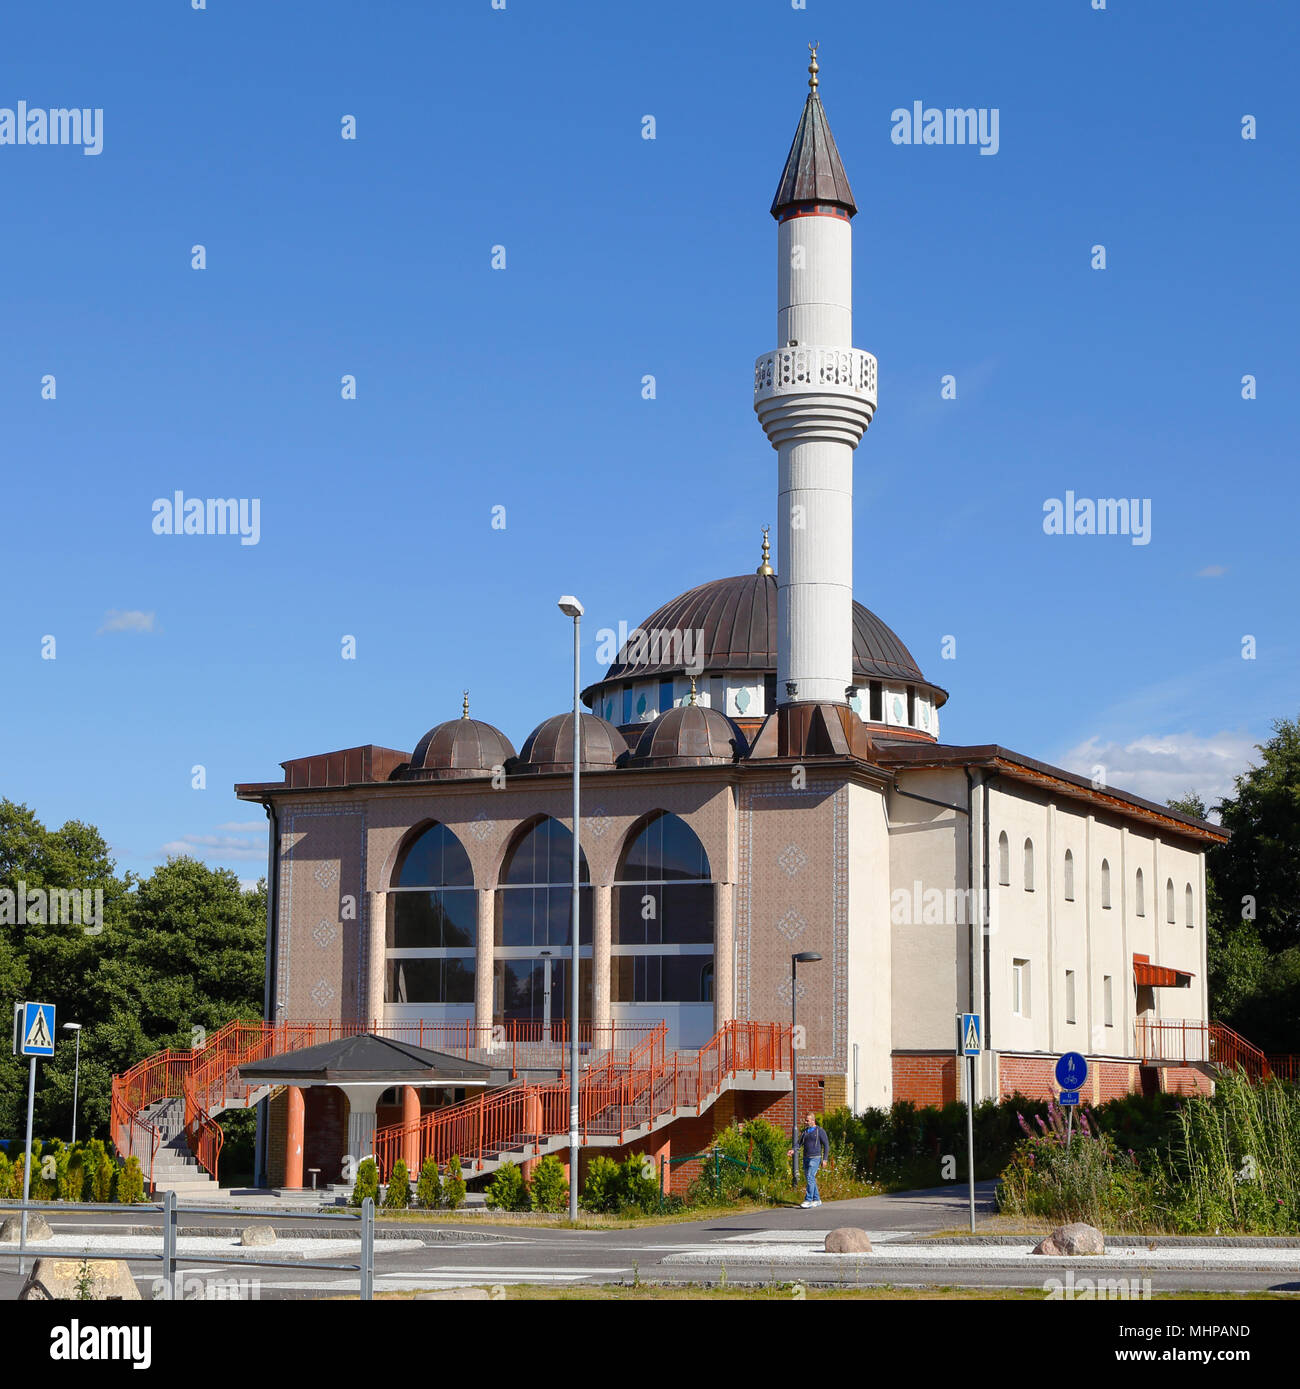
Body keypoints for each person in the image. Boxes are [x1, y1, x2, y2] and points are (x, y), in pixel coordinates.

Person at [789, 1111, 830, 1208]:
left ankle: (808, 1200)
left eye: (807, 1120)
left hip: (815, 1158)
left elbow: (826, 1145)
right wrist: (793, 1150)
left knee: (810, 1177)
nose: (805, 1122)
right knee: (810, 1178)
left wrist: (825, 1159)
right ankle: (817, 1199)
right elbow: (798, 1144)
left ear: (813, 1121)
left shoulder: (820, 1131)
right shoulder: (805, 1132)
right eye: (805, 1120)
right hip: (806, 1158)